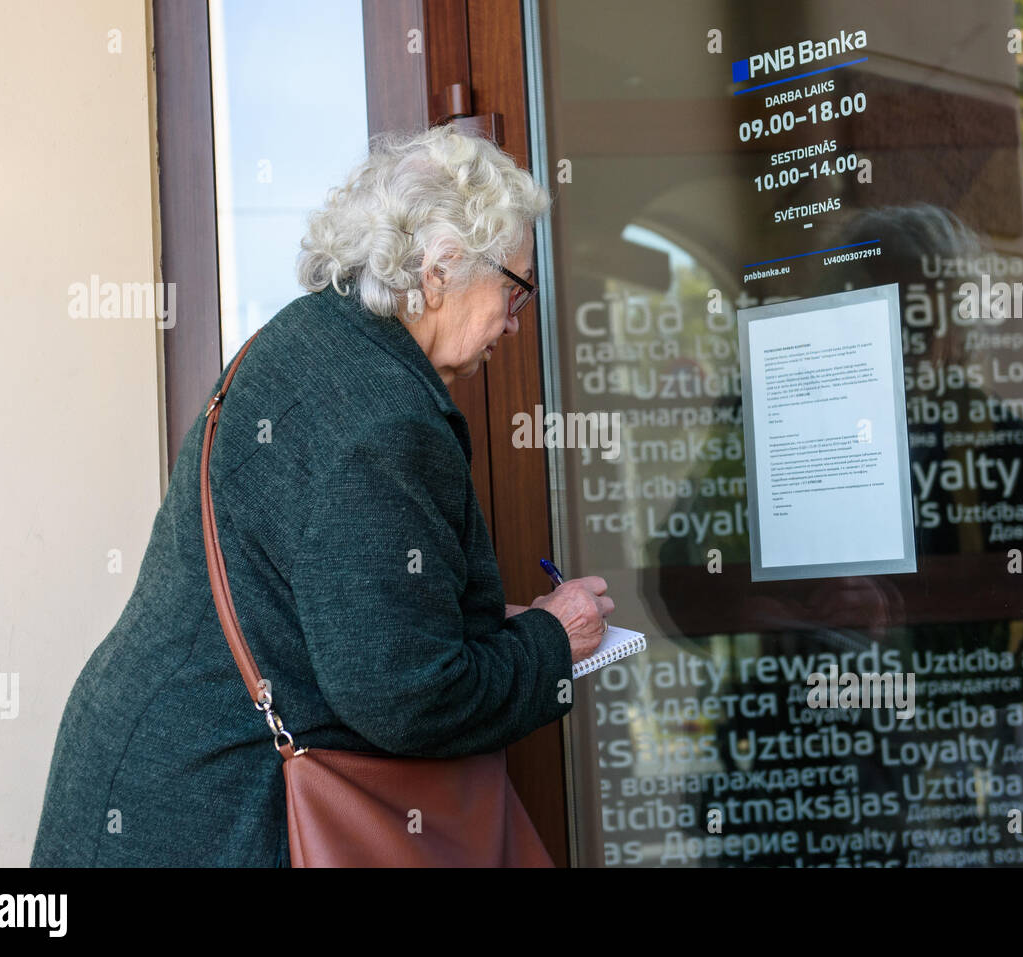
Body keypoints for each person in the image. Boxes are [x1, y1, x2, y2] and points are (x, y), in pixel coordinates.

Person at [30, 126, 613, 867]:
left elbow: (334, 602)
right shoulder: (385, 420)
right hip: (210, 814)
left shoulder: (308, 339)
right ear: (440, 270)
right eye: (515, 288)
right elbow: (407, 697)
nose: (514, 320)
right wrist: (550, 645)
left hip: (145, 779)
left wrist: (476, 624)